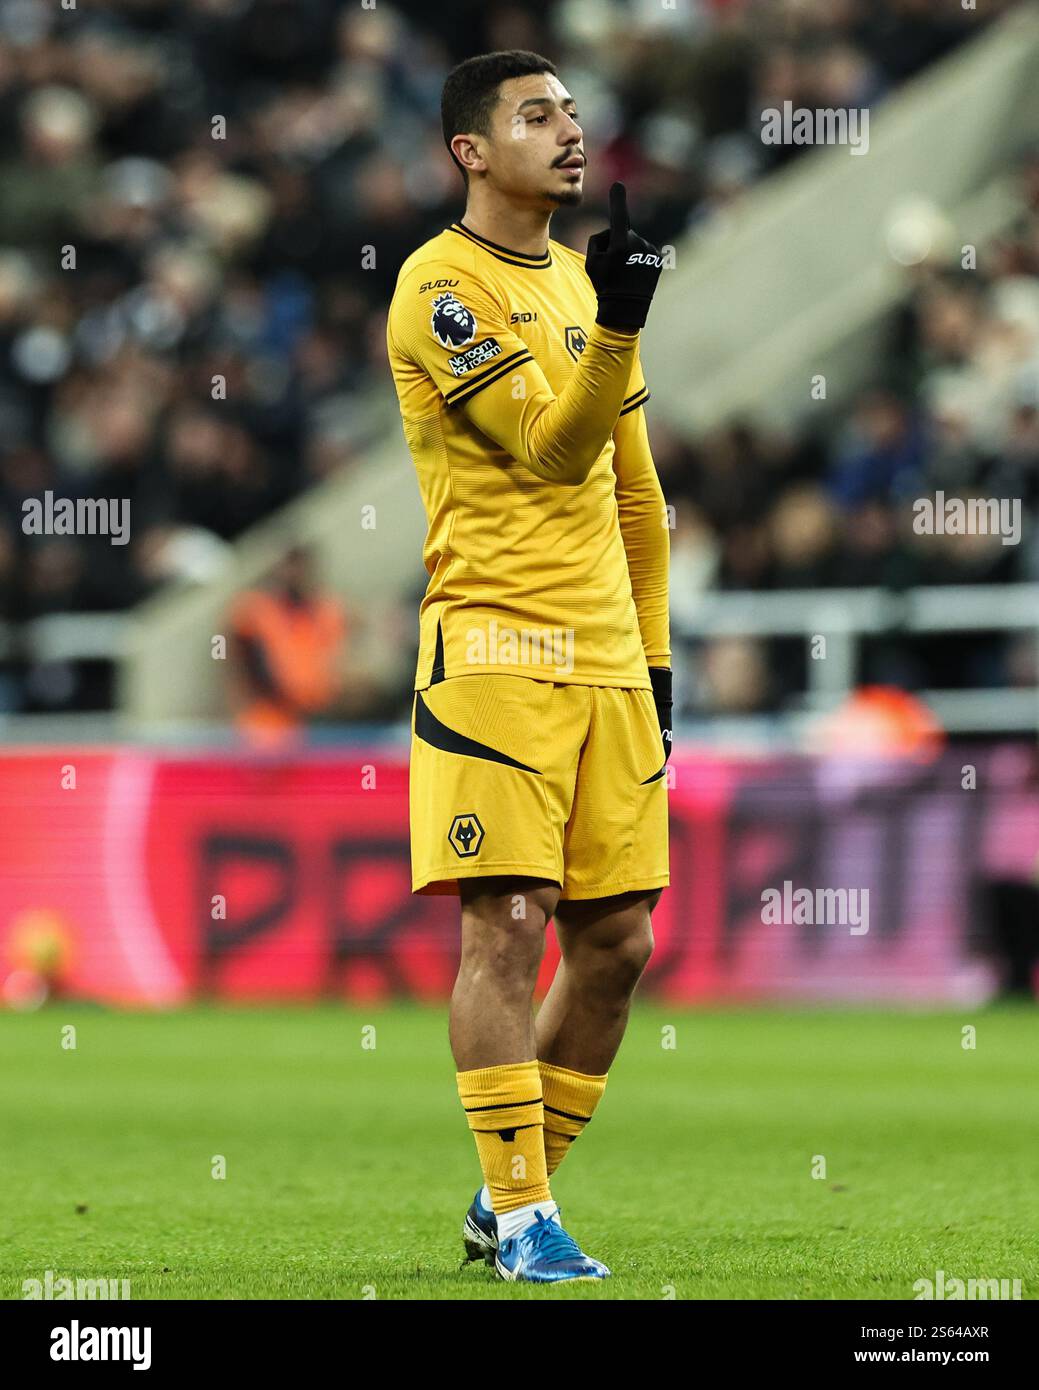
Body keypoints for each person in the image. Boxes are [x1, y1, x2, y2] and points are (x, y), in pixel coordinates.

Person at [386, 50, 671, 1284]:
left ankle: (512, 1193)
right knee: (509, 927)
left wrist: (655, 666)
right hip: (496, 649)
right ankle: (518, 1217)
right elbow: (555, 456)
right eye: (536, 114)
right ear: (470, 151)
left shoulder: (571, 274)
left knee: (616, 947)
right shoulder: (437, 289)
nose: (570, 131)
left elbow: (633, 493)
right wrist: (616, 325)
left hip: (606, 663)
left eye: (571, 111)